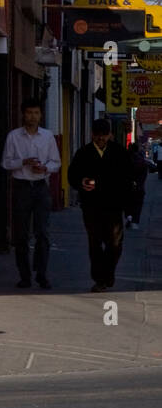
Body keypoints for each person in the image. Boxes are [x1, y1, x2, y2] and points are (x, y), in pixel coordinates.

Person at [0, 99, 60, 289]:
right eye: (29, 113)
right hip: (22, 187)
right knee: (21, 235)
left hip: (41, 187)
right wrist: (23, 162)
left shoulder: (48, 136)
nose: (32, 116)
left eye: (36, 113)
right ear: (23, 115)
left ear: (41, 115)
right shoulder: (13, 137)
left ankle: (41, 273)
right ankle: (24, 275)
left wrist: (44, 168)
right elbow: (6, 163)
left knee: (43, 232)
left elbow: (56, 162)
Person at [68, 120, 132, 292]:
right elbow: (72, 175)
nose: (100, 139)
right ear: (92, 135)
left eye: (104, 135)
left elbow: (128, 179)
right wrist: (81, 182)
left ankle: (108, 272)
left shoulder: (119, 153)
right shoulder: (84, 153)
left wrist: (128, 207)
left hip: (114, 205)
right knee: (95, 242)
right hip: (91, 206)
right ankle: (99, 279)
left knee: (115, 243)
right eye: (97, 135)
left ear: (110, 135)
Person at [126, 140, 151, 229]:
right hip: (139, 187)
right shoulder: (142, 161)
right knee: (137, 204)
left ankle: (129, 216)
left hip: (127, 187)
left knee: (128, 203)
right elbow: (144, 174)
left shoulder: (125, 160)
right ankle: (135, 222)